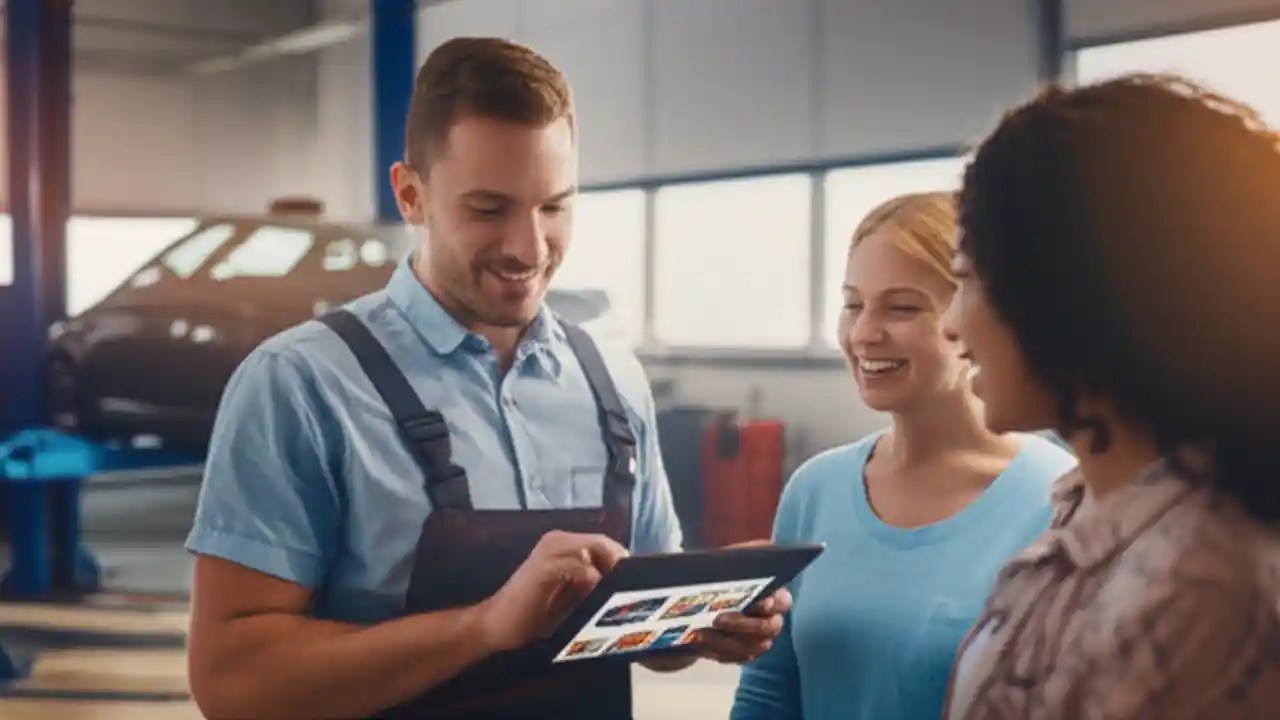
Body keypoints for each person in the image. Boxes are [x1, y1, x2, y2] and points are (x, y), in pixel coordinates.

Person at [183, 37, 789, 720]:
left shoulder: (613, 382)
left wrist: (706, 618)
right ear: (411, 196)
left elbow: (642, 630)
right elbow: (232, 684)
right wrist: (482, 628)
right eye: (488, 209)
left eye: (554, 206)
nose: (529, 248)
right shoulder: (299, 385)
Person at [943, 74, 1280, 719]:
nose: (952, 324)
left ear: (1067, 293)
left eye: (968, 279)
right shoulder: (1090, 512)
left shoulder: (1198, 588)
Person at [730, 192, 1078, 720]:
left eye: (902, 307)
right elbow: (768, 695)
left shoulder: (1061, 501)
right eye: (853, 303)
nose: (865, 332)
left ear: (974, 315)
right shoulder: (814, 488)